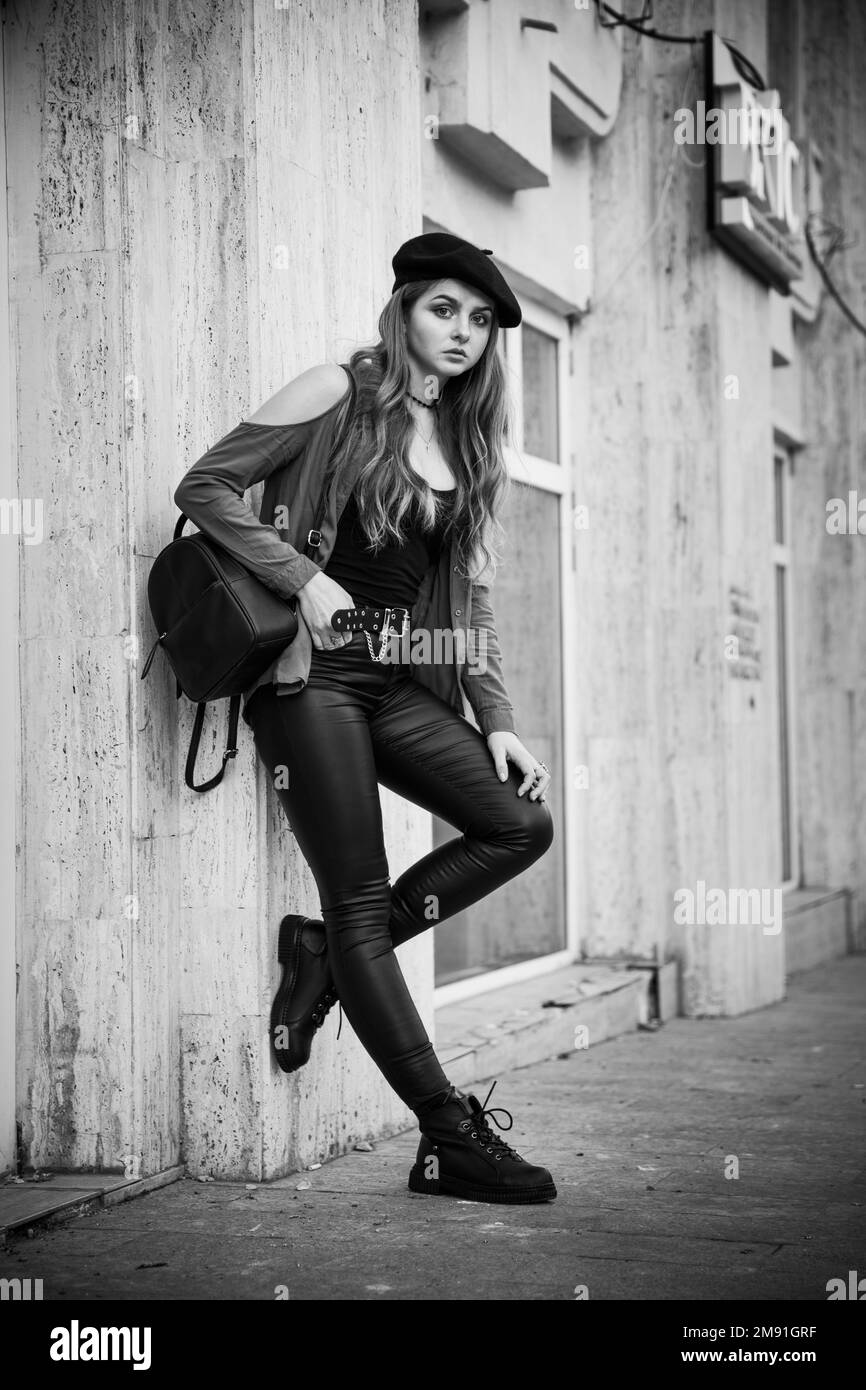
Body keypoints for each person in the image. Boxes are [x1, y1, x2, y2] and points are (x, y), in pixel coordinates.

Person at [174, 233, 557, 1204]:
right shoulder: (333, 393)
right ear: (402, 308)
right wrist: (302, 579)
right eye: (444, 309)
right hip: (312, 684)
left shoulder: (469, 449)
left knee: (517, 823)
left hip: (397, 679)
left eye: (478, 321)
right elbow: (205, 486)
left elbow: (465, 603)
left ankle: (325, 954)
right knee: (360, 898)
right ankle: (447, 1136)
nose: (462, 333)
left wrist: (496, 717)